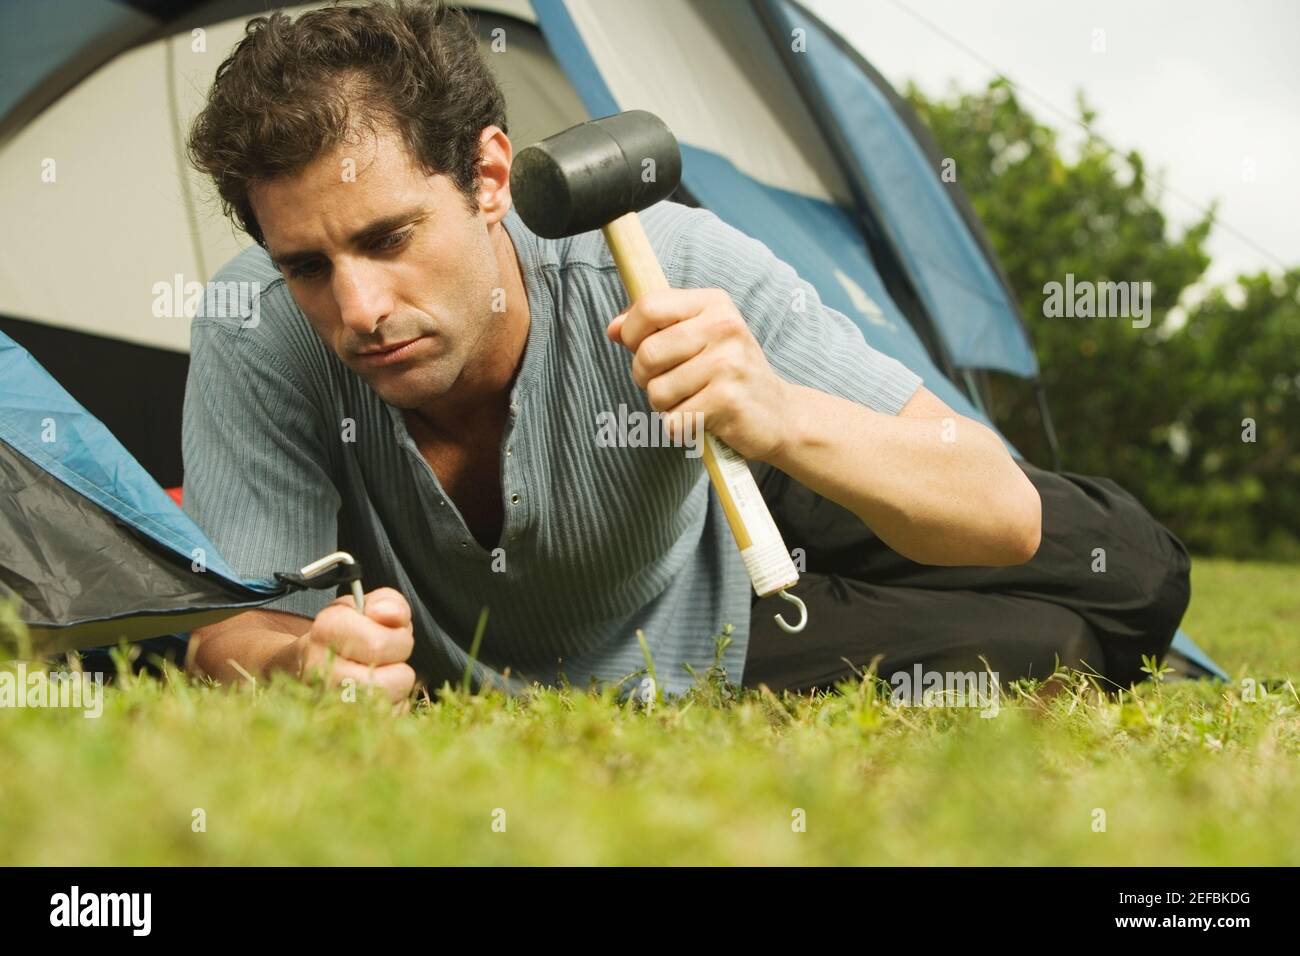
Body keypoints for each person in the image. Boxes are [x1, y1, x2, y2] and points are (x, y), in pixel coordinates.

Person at [180, 0, 1188, 702]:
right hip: (706, 636)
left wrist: (780, 414)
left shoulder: (661, 254)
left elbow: (1002, 513)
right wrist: (303, 664)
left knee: (1132, 567)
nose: (358, 307)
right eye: (307, 264)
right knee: (1050, 647)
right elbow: (226, 637)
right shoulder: (254, 328)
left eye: (388, 238)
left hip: (750, 483)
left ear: (489, 174)